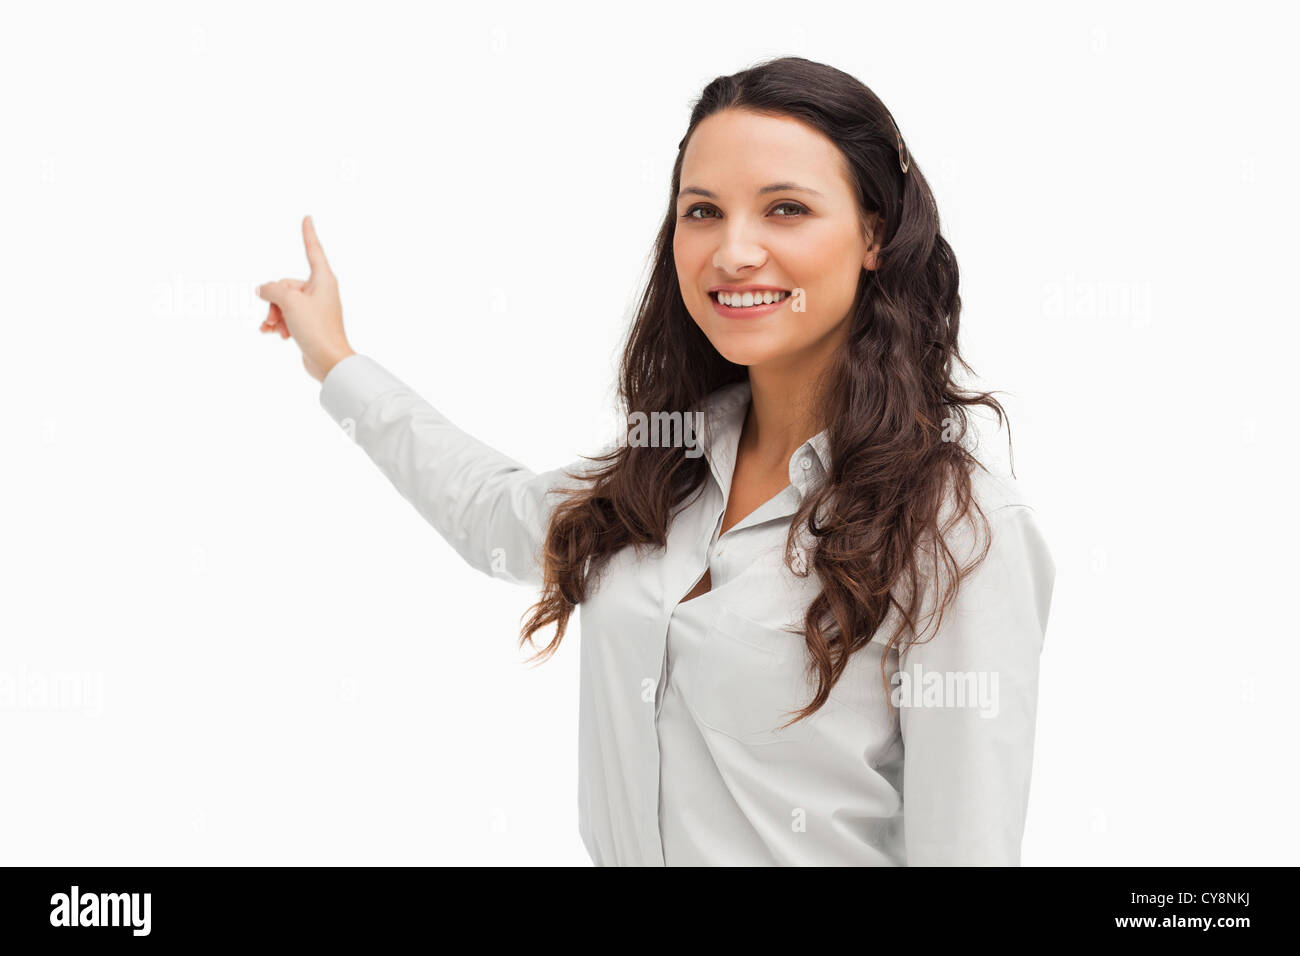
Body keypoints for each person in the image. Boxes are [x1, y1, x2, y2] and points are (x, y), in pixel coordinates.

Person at [255, 56, 1055, 866]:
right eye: (703, 210)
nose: (733, 251)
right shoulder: (668, 467)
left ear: (874, 235)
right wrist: (335, 358)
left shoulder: (957, 530)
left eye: (786, 208)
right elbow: (490, 515)